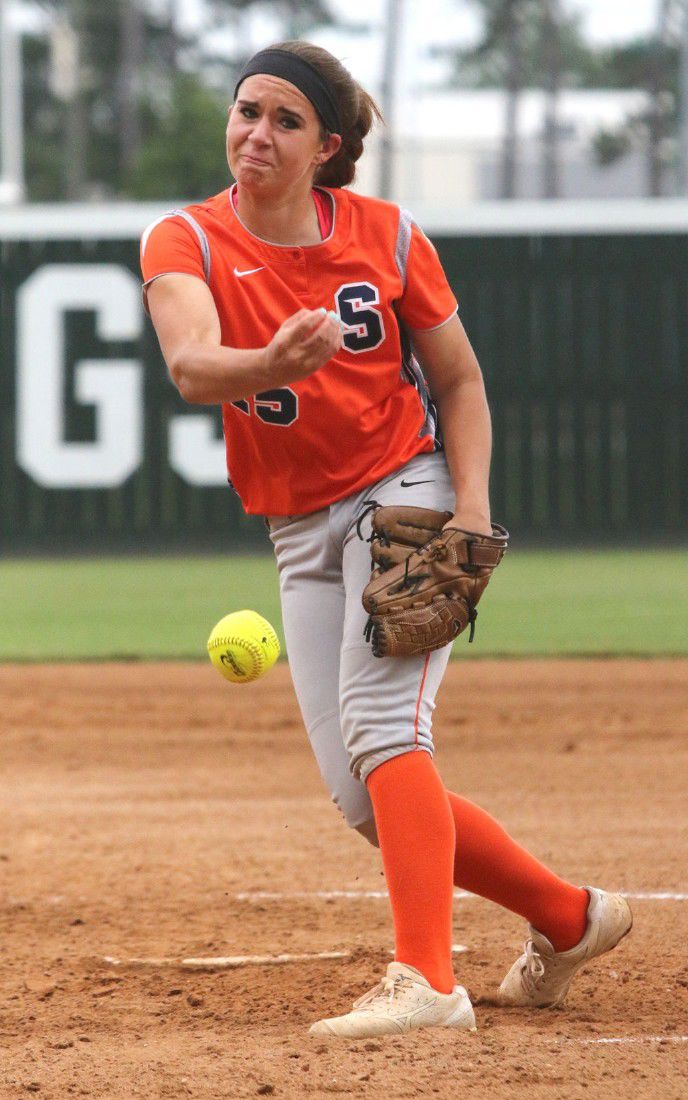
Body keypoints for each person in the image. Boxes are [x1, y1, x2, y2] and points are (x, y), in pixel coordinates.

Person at [140, 41, 633, 1040]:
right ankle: (571, 916)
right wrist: (267, 358)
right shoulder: (184, 237)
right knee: (363, 797)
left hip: (402, 493)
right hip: (296, 523)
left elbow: (458, 380)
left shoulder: (388, 234)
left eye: (285, 120)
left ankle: (425, 980)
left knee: (384, 732)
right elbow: (193, 366)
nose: (256, 133)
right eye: (247, 110)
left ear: (326, 146)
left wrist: (471, 508)